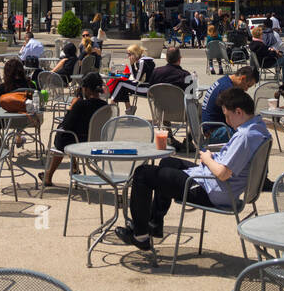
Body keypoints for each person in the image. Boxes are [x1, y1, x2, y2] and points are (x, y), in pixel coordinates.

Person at [115, 87, 271, 252]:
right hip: (218, 185)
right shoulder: (258, 128)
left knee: (143, 174)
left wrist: (207, 159)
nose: (226, 121)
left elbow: (223, 173)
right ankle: (154, 223)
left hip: (212, 190)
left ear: (238, 111)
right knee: (168, 163)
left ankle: (140, 235)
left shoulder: (244, 137)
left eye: (227, 115)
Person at [39, 72, 108, 186]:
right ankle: (74, 166)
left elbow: (66, 125)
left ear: (86, 89)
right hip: (97, 143)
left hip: (78, 143)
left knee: (61, 135)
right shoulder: (105, 106)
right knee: (73, 134)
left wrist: (72, 106)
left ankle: (48, 175)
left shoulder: (80, 105)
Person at [0, 56, 38, 147]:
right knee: (20, 110)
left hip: (5, 121)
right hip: (26, 120)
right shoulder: (30, 85)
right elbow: (35, 105)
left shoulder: (4, 87)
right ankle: (18, 138)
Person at [201, 65, 258, 142]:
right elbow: (233, 117)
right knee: (248, 134)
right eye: (247, 85)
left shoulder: (225, 81)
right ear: (242, 78)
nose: (246, 89)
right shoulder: (228, 90)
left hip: (210, 126)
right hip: (215, 131)